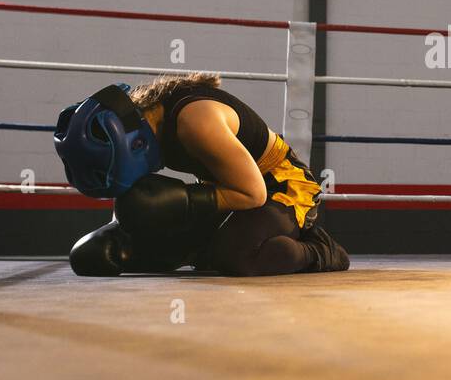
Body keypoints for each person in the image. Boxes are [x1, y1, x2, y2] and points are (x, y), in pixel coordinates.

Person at [54, 73, 349, 277]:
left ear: (134, 144)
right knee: (159, 246)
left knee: (236, 257)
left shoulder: (195, 123)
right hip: (232, 190)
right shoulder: (149, 116)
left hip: (281, 187)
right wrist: (124, 226)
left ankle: (319, 250)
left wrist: (184, 200)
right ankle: (215, 244)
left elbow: (253, 193)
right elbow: (138, 197)